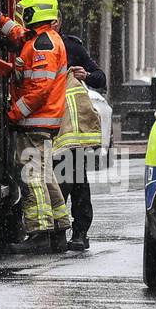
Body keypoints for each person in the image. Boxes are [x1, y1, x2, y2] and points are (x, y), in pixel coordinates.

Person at [0, 0, 73, 253]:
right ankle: (59, 230)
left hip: (35, 123)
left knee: (32, 177)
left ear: (34, 13)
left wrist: (13, 114)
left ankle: (40, 231)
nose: (22, 17)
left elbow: (39, 89)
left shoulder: (44, 45)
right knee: (45, 175)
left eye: (25, 12)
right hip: (41, 124)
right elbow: (18, 35)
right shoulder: (40, 39)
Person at [55, 33, 105, 251]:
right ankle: (68, 232)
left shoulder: (70, 47)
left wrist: (86, 75)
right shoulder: (32, 44)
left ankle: (75, 232)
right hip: (46, 126)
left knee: (69, 179)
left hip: (66, 130)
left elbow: (100, 78)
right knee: (66, 180)